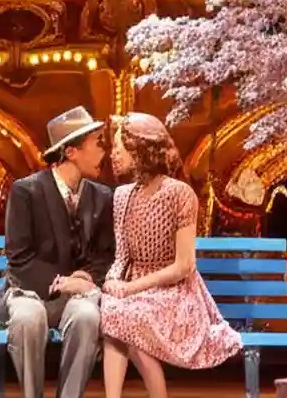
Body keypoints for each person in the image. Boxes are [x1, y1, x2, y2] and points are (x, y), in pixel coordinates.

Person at [100, 112, 241, 398]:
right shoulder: (122, 196)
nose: (112, 154)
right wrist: (112, 283)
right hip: (133, 290)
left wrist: (130, 288)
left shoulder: (179, 194)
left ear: (140, 149)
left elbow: (184, 266)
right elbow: (122, 257)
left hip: (173, 291)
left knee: (128, 316)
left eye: (119, 146)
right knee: (113, 312)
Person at [1, 106, 116, 398]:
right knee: (28, 318)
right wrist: (62, 281)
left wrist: (86, 276)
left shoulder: (102, 196)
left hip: (76, 296)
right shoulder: (26, 191)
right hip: (30, 291)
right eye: (97, 143)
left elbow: (105, 255)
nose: (104, 151)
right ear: (71, 151)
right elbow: (19, 257)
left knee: (88, 317)